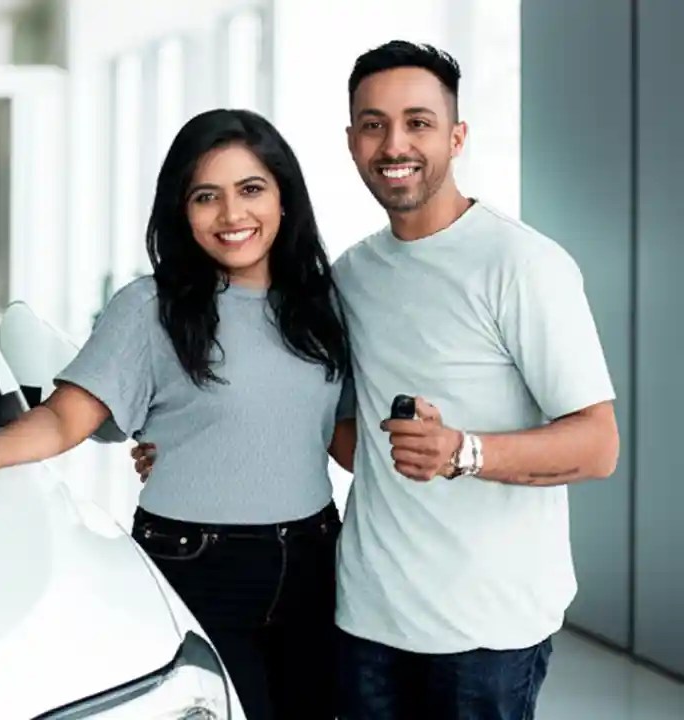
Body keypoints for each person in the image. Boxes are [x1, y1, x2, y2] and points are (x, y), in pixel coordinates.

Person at [134, 40, 621, 719]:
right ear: (352, 142)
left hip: (485, 631)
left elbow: (598, 446)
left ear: (456, 137)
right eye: (374, 124)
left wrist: (463, 452)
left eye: (418, 122)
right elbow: (340, 431)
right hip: (364, 617)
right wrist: (196, 444)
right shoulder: (350, 278)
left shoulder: (523, 265)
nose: (395, 144)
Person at [0, 107, 356, 720]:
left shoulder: (322, 306)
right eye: (207, 197)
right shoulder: (150, 307)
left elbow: (339, 438)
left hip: (315, 559)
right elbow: (67, 417)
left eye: (251, 189)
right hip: (197, 564)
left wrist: (451, 455)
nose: (232, 214)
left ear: (285, 198)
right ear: (182, 210)